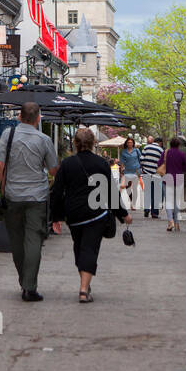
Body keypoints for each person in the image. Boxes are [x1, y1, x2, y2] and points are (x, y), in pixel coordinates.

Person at [49, 126, 132, 302]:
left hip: (74, 215)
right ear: (94, 143)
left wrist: (55, 217)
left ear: (75, 143)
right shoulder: (101, 164)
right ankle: (84, 289)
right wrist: (123, 214)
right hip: (96, 213)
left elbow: (56, 192)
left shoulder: (67, 164)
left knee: (79, 249)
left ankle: (84, 285)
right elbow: (110, 192)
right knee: (89, 249)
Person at [0, 102, 59, 301]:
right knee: (33, 240)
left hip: (13, 195)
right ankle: (29, 287)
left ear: (20, 117)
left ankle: (25, 280)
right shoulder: (44, 140)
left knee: (16, 240)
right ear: (38, 118)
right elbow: (54, 170)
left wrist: (3, 189)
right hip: (37, 197)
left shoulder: (8, 135)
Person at [160, 137, 186, 230]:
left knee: (168, 201)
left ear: (170, 144)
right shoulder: (182, 154)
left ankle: (170, 221)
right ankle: (176, 223)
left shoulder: (165, 153)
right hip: (179, 179)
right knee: (176, 202)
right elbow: (185, 168)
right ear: (179, 145)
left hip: (167, 179)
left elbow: (159, 164)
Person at [139, 135, 165, 218]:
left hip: (146, 172)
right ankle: (154, 213)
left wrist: (144, 168)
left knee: (147, 192)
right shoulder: (161, 150)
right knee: (156, 193)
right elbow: (162, 163)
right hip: (156, 174)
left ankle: (146, 210)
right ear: (160, 143)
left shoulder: (146, 147)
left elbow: (141, 159)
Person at [119, 136, 142, 212]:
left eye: (131, 142)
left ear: (133, 143)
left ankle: (133, 204)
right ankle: (131, 200)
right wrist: (122, 171)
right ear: (126, 143)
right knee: (128, 188)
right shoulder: (123, 151)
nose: (130, 144)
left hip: (136, 171)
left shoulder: (137, 150)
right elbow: (122, 162)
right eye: (128, 142)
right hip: (127, 171)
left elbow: (140, 159)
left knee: (135, 188)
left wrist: (140, 168)